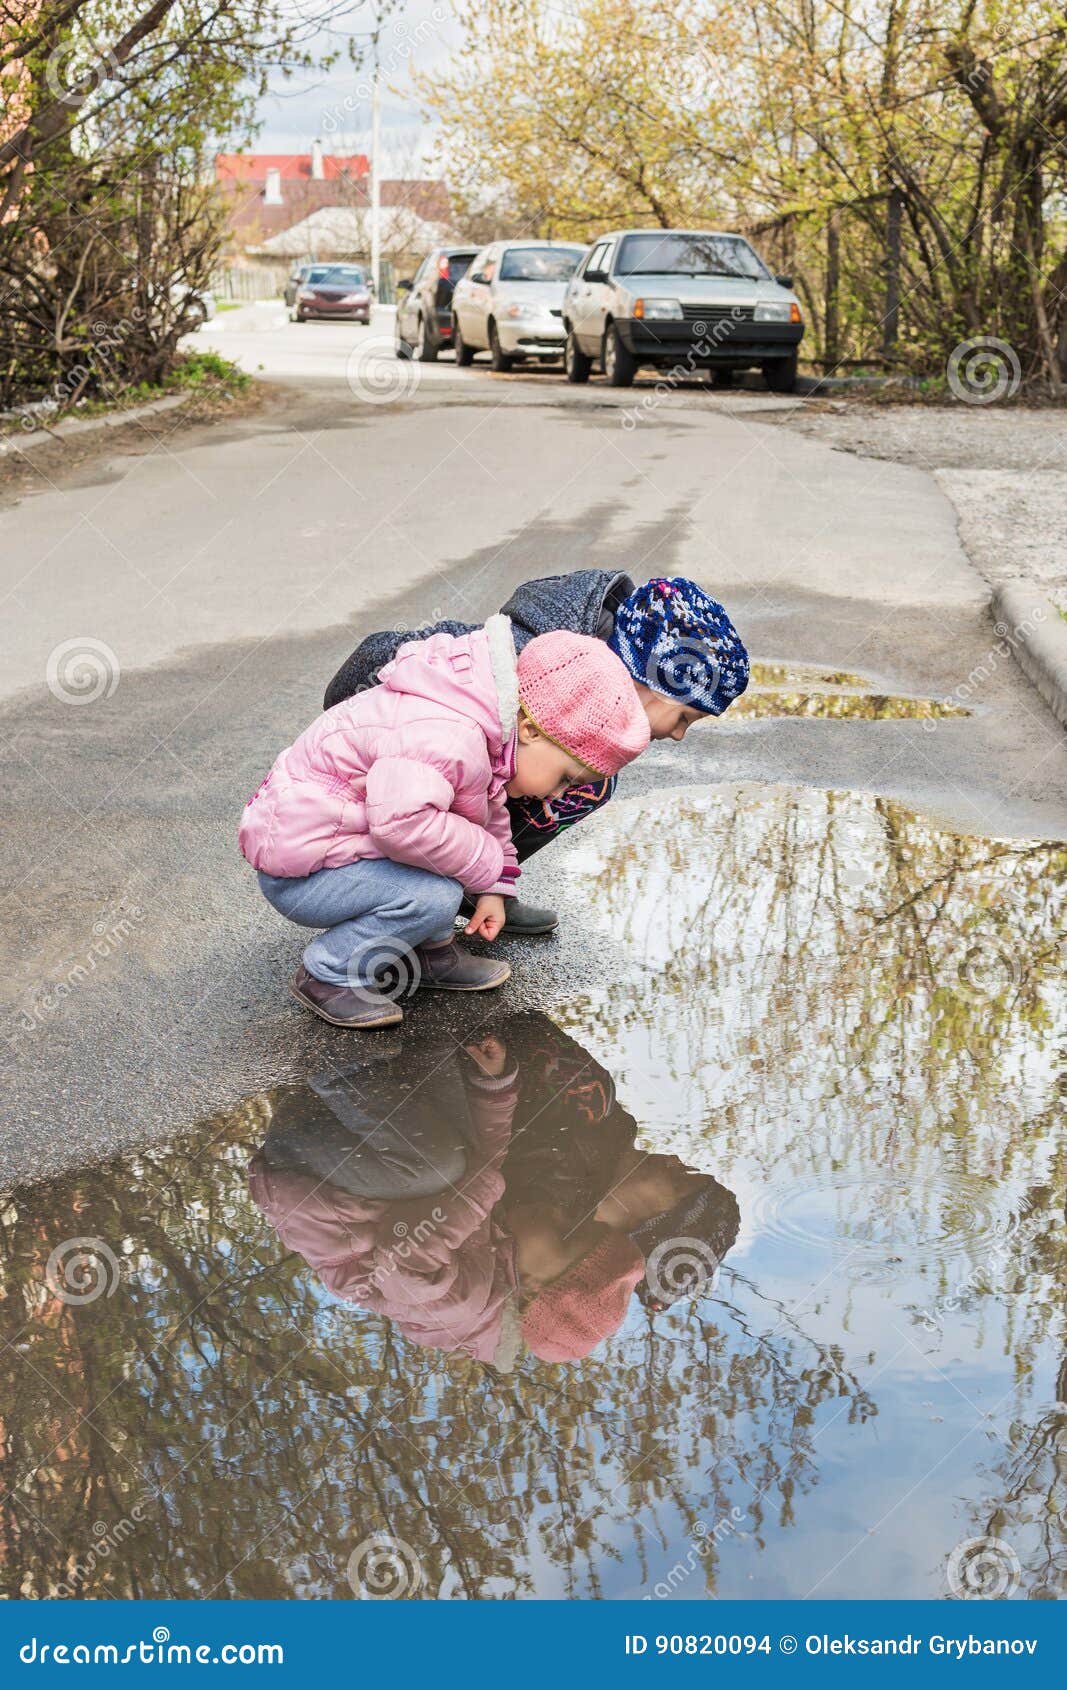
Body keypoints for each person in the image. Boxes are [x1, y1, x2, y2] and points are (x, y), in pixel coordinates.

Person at [239, 616, 649, 1028]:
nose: (559, 794)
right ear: (531, 730)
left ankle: (425, 951)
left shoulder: (489, 728)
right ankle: (329, 971)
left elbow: (485, 811)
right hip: (301, 874)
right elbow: (402, 824)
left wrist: (494, 882)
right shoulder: (451, 736)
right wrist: (485, 863)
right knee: (434, 891)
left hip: (339, 849)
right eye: (564, 778)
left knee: (447, 860)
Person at [323, 573, 750, 935]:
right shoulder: (536, 670)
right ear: (651, 680)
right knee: (556, 775)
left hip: (429, 768)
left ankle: (471, 889)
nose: (678, 735)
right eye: (684, 718)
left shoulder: (588, 678)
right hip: (378, 773)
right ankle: (406, 899)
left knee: (583, 778)